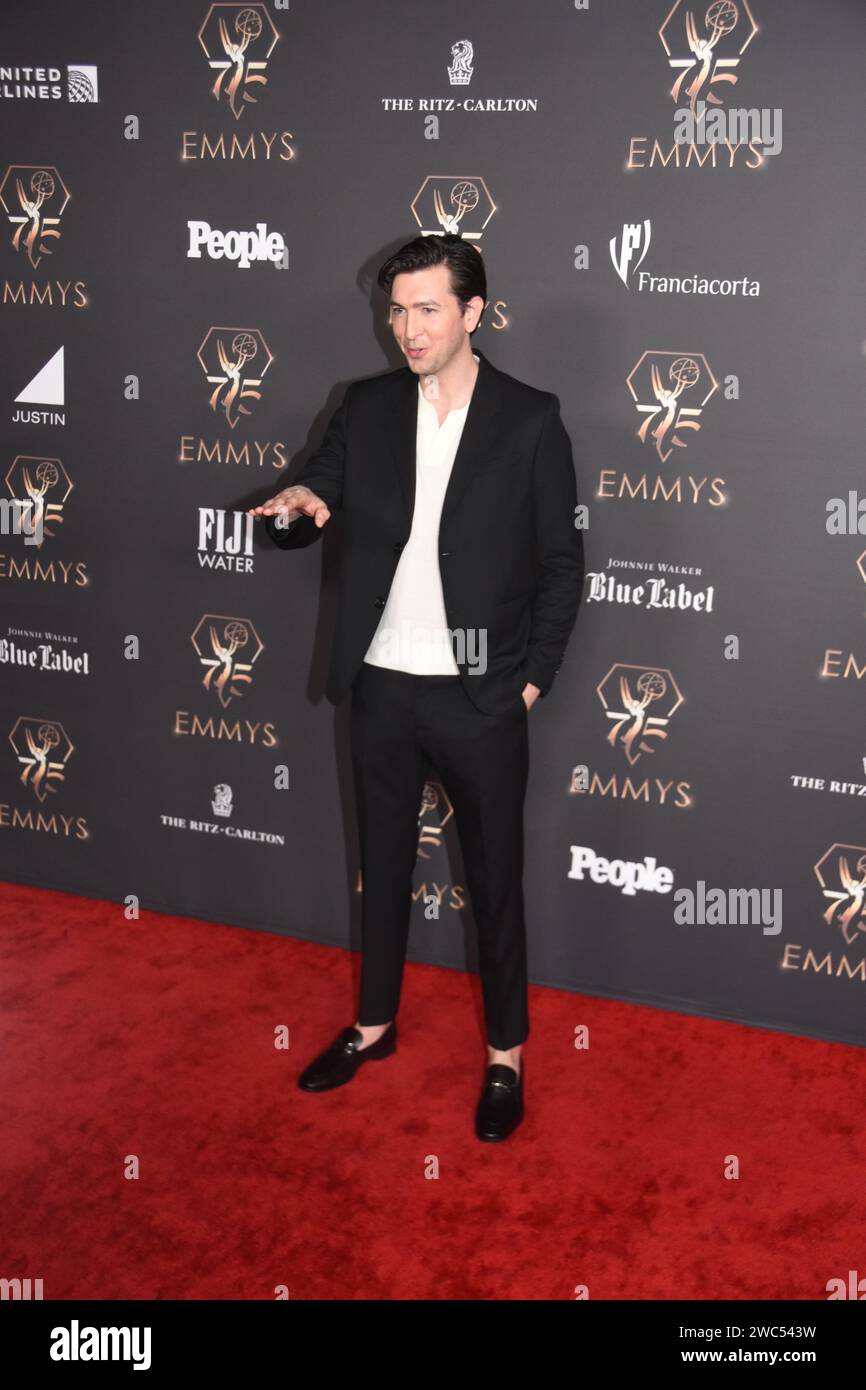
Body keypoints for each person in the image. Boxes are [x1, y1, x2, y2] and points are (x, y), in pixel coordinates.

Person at [248, 232, 584, 1140]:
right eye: (398, 309)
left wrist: (531, 685)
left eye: (427, 308)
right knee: (383, 867)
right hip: (384, 686)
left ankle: (506, 1056)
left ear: (475, 313)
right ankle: (374, 1026)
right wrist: (296, 513)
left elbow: (563, 566)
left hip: (481, 698)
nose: (409, 327)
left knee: (496, 883)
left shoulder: (529, 417)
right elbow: (314, 498)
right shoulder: (366, 406)